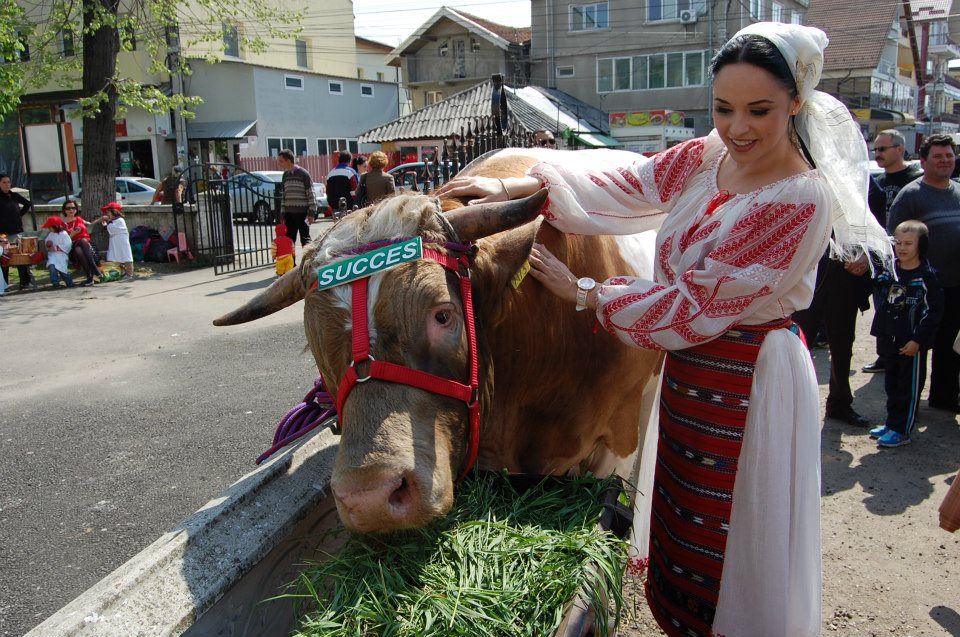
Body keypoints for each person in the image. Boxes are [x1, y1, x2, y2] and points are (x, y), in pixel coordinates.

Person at [438, 22, 892, 637]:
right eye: (723, 108)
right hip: (688, 371)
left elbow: (692, 308)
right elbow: (630, 183)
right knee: (687, 512)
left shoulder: (798, 199)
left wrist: (586, 292)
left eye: (759, 110)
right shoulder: (709, 157)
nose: (738, 128)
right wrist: (519, 187)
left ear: (796, 104)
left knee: (741, 526)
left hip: (750, 374)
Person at [888, 134, 960, 413]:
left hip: (955, 286)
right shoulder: (911, 196)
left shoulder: (957, 191)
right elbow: (894, 240)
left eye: (949, 156)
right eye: (938, 156)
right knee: (916, 348)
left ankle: (943, 398)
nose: (945, 161)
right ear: (923, 161)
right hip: (921, 289)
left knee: (949, 346)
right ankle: (906, 409)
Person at [869, 220, 943, 447]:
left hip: (911, 343)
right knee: (891, 384)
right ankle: (892, 422)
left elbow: (934, 312)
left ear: (921, 245)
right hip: (889, 338)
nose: (902, 247)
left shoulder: (927, 276)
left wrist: (917, 340)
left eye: (908, 243)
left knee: (907, 388)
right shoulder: (890, 270)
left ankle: (902, 430)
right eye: (898, 242)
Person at [862, 129, 925, 374]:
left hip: (912, 258)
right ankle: (884, 357)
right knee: (884, 308)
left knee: (910, 309)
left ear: (899, 149)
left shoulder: (915, 179)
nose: (877, 154)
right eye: (875, 150)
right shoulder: (879, 183)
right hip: (884, 257)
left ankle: (906, 356)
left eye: (882, 149)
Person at [277, 148, 317, 249]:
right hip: (289, 214)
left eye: (281, 161)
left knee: (305, 239)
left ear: (288, 161)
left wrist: (311, 213)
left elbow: (311, 194)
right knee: (290, 239)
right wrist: (282, 214)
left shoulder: (303, 174)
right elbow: (284, 196)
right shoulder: (285, 175)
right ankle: (291, 263)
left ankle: (307, 263)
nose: (279, 164)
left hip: (302, 213)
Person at [0, 173, 34, 290]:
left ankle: (25, 282)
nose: (7, 184)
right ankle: (4, 284)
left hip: (17, 231)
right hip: (3, 234)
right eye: (4, 182)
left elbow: (27, 204)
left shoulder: (14, 195)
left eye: (8, 182)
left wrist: (19, 215)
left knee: (21, 256)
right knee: (4, 258)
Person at [62, 201, 99, 286]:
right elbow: (63, 239)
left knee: (79, 249)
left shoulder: (79, 219)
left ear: (76, 209)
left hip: (85, 245)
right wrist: (72, 234)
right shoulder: (62, 223)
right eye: (68, 208)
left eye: (73, 208)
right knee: (80, 243)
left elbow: (90, 224)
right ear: (64, 210)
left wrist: (102, 220)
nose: (71, 210)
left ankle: (89, 278)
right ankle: (95, 269)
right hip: (72, 245)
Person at [96, 201, 134, 277]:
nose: (107, 214)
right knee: (114, 255)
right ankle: (120, 271)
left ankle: (129, 273)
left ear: (114, 212)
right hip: (115, 240)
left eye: (108, 212)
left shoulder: (120, 220)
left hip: (121, 240)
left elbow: (113, 229)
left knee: (125, 255)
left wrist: (106, 225)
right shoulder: (113, 221)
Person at [40, 215, 75, 289]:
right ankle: (55, 283)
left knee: (62, 270)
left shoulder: (64, 234)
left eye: (50, 227)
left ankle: (69, 282)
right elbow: (47, 241)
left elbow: (67, 245)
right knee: (52, 266)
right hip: (52, 255)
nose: (49, 229)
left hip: (61, 255)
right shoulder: (51, 234)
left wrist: (56, 248)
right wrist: (48, 243)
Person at [326, 150, 359, 216]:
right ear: (350, 160)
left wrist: (331, 204)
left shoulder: (330, 173)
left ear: (339, 160)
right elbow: (354, 191)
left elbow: (328, 192)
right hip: (349, 207)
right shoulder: (351, 172)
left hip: (335, 206)